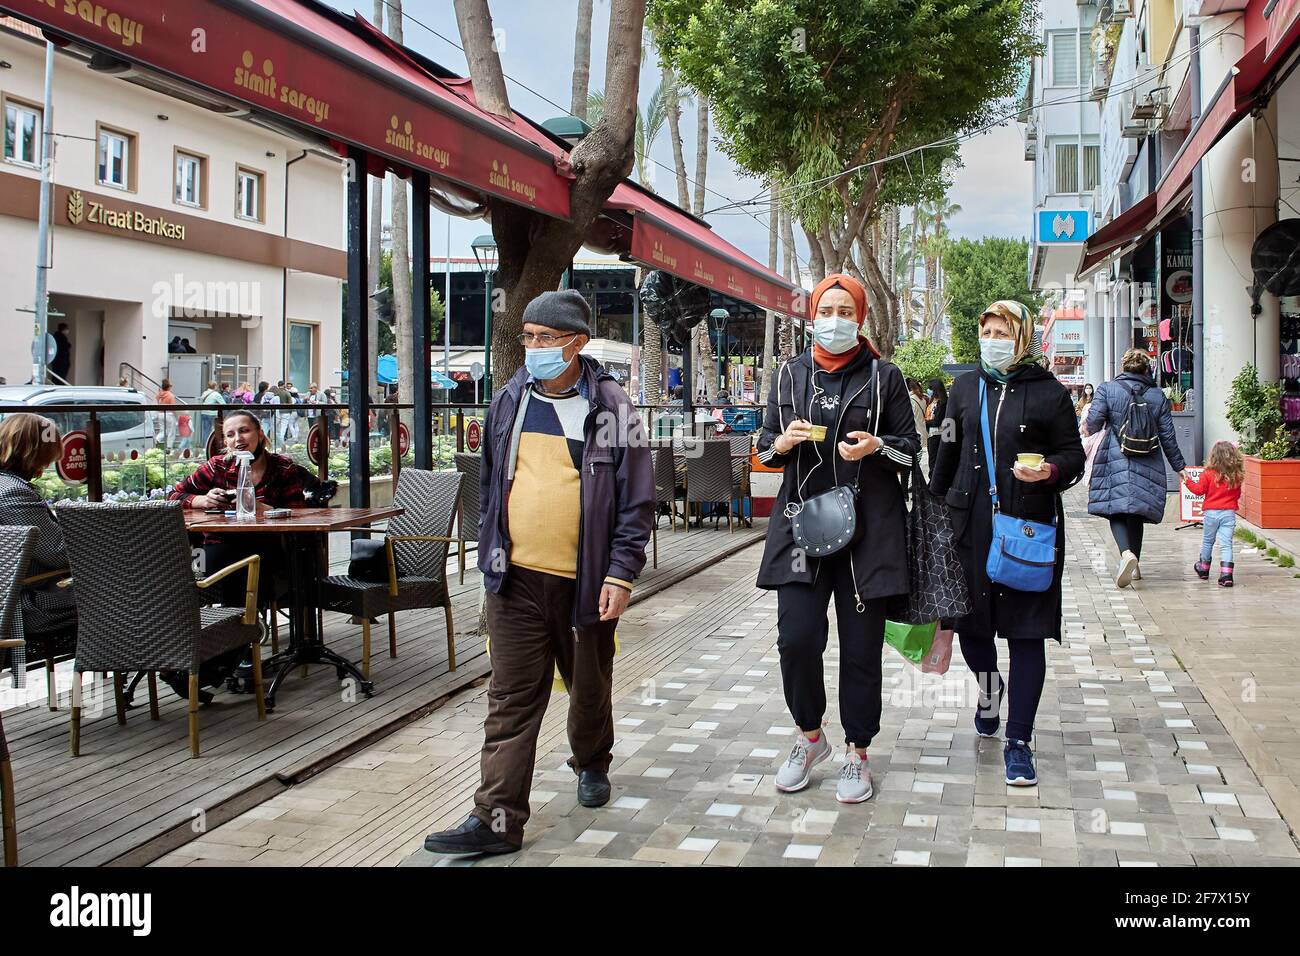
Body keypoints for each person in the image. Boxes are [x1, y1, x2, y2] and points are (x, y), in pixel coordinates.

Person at [424, 289, 653, 857]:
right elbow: (490, 482)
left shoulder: (610, 407)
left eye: (545, 339)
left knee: (588, 686)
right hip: (516, 580)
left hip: (586, 582)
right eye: (527, 337)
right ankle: (496, 820)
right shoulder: (510, 398)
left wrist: (621, 575)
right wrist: (489, 551)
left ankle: (592, 759)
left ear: (576, 343)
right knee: (511, 698)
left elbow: (636, 501)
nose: (533, 348)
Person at [754, 273, 919, 804]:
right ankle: (809, 735)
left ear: (861, 318)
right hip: (801, 525)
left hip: (867, 531)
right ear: (812, 315)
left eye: (846, 312)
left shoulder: (883, 378)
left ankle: (857, 751)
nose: (835, 321)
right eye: (827, 310)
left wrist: (876, 447)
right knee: (796, 638)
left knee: (861, 648)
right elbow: (763, 447)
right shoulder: (787, 377)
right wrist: (780, 442)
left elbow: (912, 452)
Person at [930, 300, 1084, 787]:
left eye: (1003, 330)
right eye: (987, 329)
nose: (993, 338)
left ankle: (1019, 740)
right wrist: (933, 515)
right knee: (973, 630)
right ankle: (989, 690)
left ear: (1022, 336)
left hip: (1028, 528)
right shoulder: (965, 387)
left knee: (1026, 631)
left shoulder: (1049, 393)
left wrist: (1050, 472)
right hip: (968, 529)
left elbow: (1073, 456)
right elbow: (945, 452)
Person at [168, 409, 305, 604]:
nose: (238, 438)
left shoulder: (282, 467)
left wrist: (265, 510)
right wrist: (203, 500)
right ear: (226, 443)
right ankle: (237, 625)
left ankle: (240, 625)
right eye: (230, 435)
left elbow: (301, 513)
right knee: (200, 566)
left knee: (252, 563)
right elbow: (173, 496)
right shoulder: (218, 466)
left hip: (267, 544)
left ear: (260, 434)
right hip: (219, 544)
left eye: (244, 431)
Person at [1084, 348, 1186, 588]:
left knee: (1116, 509)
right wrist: (1179, 466)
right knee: (1136, 512)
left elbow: (1094, 423)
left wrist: (1086, 428)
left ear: (1124, 366)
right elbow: (1168, 436)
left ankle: (1125, 554)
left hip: (1115, 456)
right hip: (1148, 458)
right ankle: (1135, 564)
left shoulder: (1107, 389)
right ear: (1147, 368)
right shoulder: (1158, 395)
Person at [0, 414, 77, 639]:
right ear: (34, 452)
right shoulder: (14, 492)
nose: (46, 466)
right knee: (134, 594)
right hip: (27, 605)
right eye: (48, 457)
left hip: (17, 597)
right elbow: (58, 553)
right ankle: (169, 665)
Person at [1187, 441, 1244, 587]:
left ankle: (1203, 568)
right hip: (1228, 514)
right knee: (1226, 544)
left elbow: (1199, 490)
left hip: (1211, 513)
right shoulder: (1236, 475)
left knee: (1208, 541)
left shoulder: (1208, 474)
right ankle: (1226, 575)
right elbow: (1237, 494)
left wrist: (1187, 481)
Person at [906, 378, 929, 474]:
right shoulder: (922, 398)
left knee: (914, 461)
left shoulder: (910, 399)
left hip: (915, 432)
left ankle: (916, 484)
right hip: (923, 430)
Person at [924, 378, 948, 468]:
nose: (928, 390)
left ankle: (933, 481)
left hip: (938, 435)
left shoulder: (943, 403)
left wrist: (924, 422)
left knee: (935, 462)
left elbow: (937, 421)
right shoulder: (932, 401)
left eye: (930, 388)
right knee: (932, 461)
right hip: (931, 435)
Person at [199, 379, 225, 449]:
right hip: (212, 414)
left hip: (204, 413)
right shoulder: (216, 394)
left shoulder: (204, 393)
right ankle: (213, 446)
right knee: (214, 431)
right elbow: (224, 404)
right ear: (215, 386)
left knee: (205, 431)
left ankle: (205, 447)